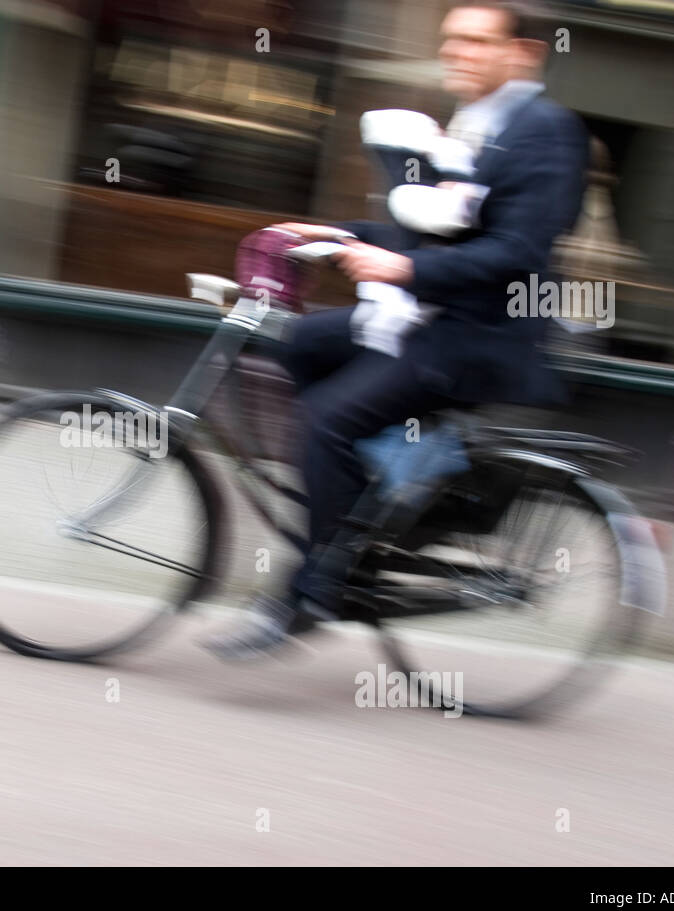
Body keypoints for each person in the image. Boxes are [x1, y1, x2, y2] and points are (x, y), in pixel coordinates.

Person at [204, 0, 591, 660]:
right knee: (301, 342)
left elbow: (518, 253)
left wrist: (403, 267)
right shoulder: (475, 125)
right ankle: (371, 502)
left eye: (475, 41)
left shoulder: (544, 130)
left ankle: (316, 589)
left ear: (523, 54)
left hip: (478, 337)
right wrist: (334, 233)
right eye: (451, 40)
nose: (455, 52)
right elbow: (430, 233)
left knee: (325, 422)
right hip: (430, 319)